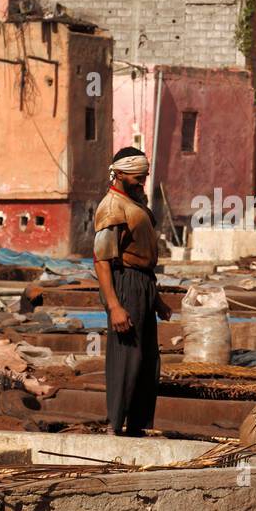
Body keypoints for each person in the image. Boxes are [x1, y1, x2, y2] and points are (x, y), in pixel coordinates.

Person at [94, 147, 171, 437]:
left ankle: (137, 426)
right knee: (126, 357)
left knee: (146, 359)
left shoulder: (134, 204)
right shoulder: (112, 208)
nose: (142, 184)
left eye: (144, 178)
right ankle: (116, 425)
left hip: (143, 284)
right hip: (124, 284)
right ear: (121, 174)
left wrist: (157, 300)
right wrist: (114, 305)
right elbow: (101, 260)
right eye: (138, 179)